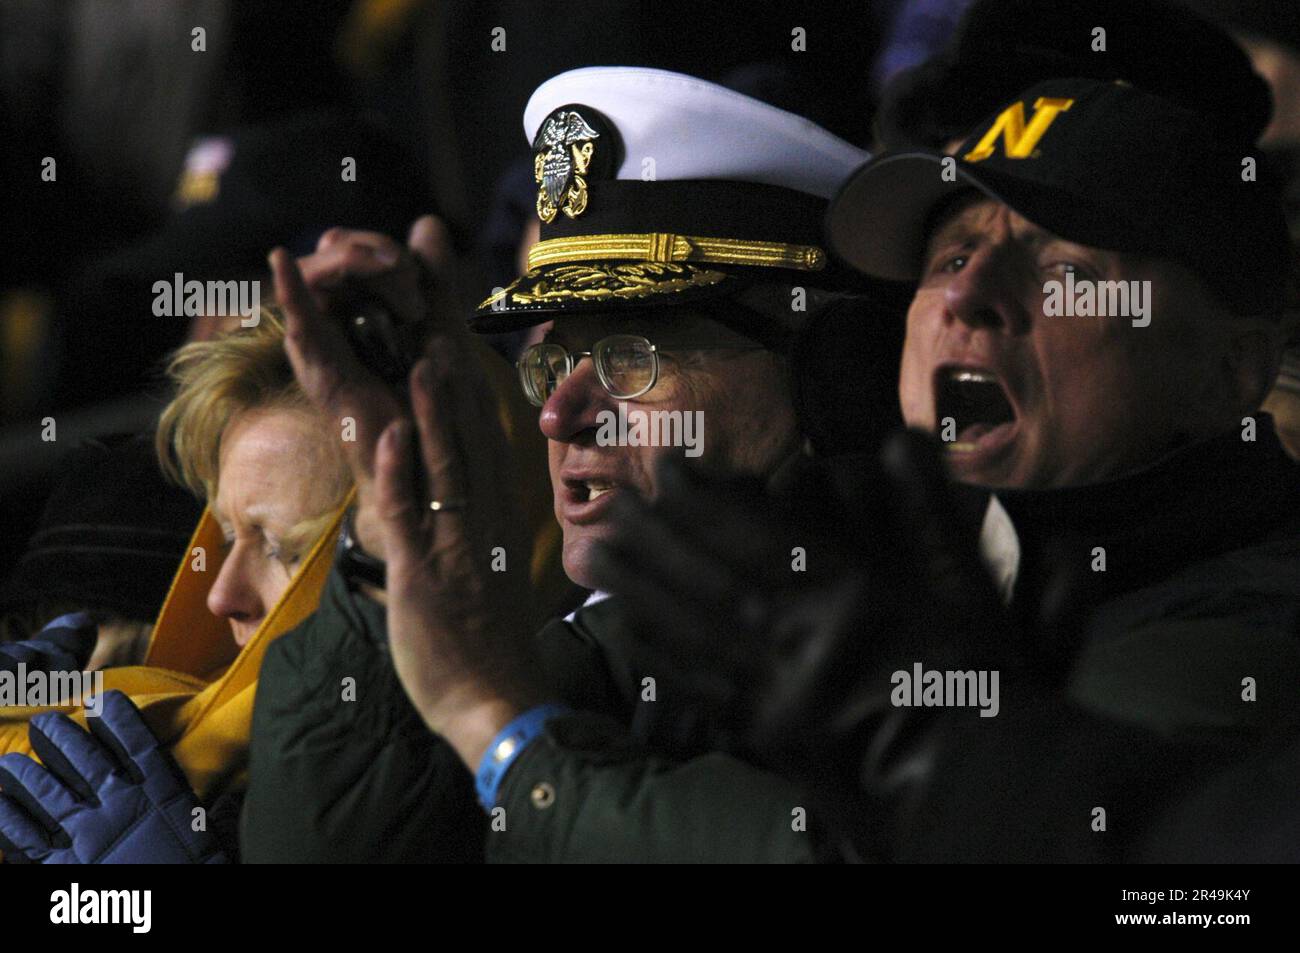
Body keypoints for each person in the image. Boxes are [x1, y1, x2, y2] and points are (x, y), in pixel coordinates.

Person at [598, 76, 1300, 860]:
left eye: (1067, 273)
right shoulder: (865, 530)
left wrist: (510, 747)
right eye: (952, 254)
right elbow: (600, 653)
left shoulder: (1243, 634)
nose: (965, 294)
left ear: (1229, 372)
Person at [240, 66, 898, 862]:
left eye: (632, 357)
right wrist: (389, 520)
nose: (558, 416)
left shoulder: (951, 637)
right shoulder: (615, 642)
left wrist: (503, 731)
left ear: (835, 374)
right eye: (550, 365)